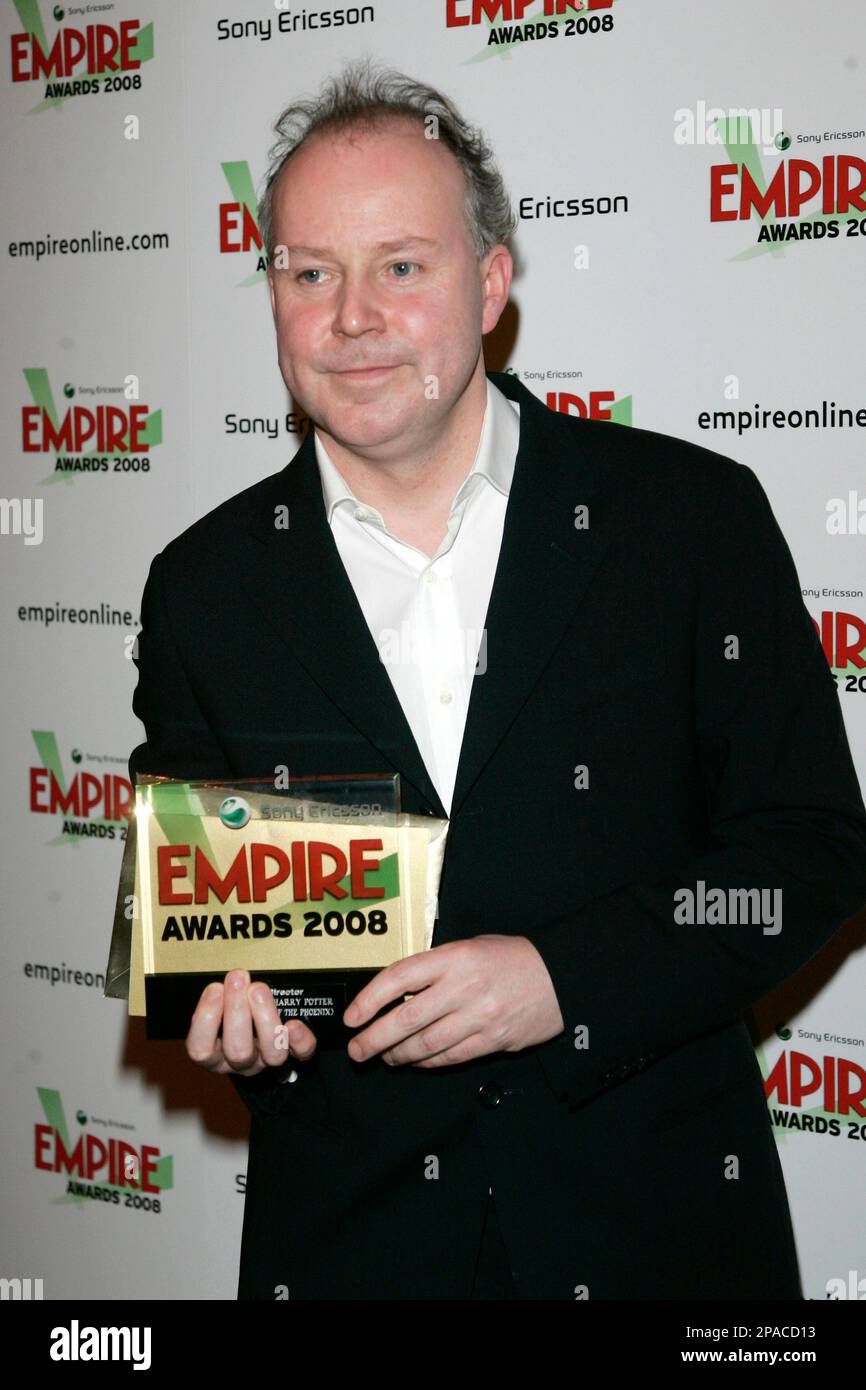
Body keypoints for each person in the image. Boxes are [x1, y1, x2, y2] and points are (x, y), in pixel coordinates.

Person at [128, 57, 866, 1300]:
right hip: (351, 1254)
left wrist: (568, 979)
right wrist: (226, 1008)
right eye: (309, 272)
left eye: (400, 267)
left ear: (491, 283)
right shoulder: (204, 586)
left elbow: (803, 858)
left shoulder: (683, 523)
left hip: (658, 1242)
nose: (350, 316)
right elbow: (200, 945)